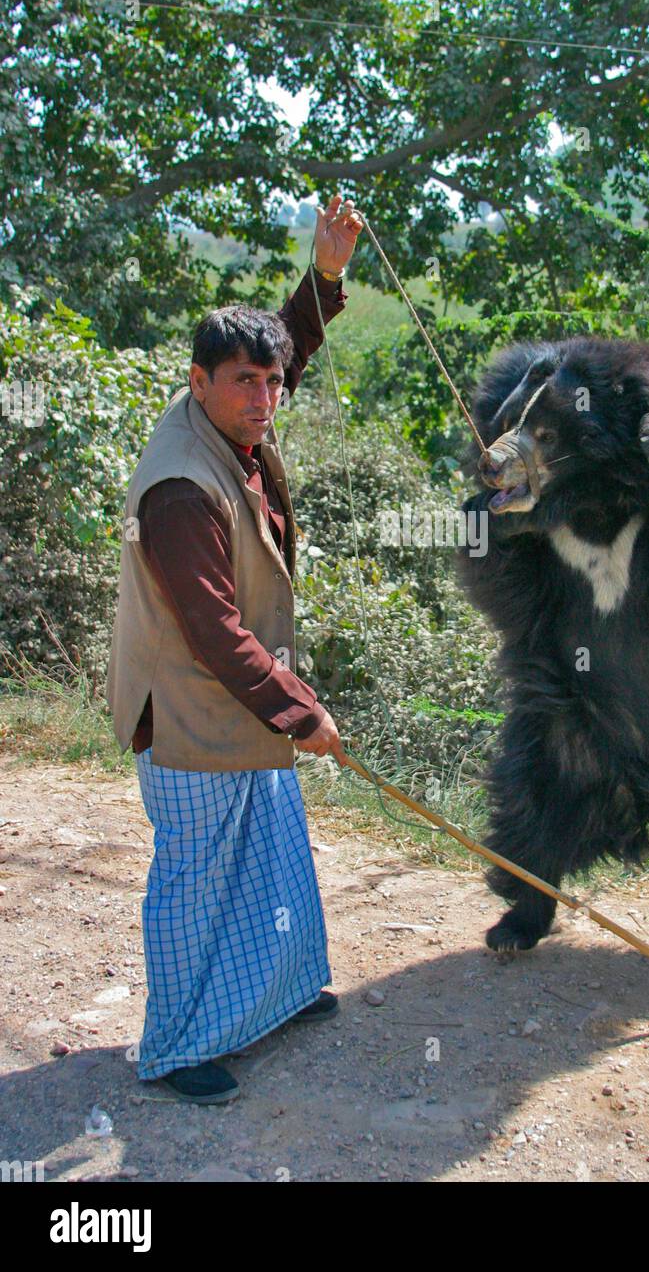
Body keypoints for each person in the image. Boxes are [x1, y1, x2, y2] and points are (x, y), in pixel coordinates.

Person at [105, 193, 363, 1103]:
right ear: (197, 380)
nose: (265, 399)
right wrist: (305, 717)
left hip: (233, 704)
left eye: (273, 384)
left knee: (268, 855)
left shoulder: (229, 416)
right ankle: (174, 1049)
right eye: (244, 383)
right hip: (185, 713)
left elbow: (279, 343)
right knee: (195, 885)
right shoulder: (181, 489)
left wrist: (324, 275)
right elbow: (215, 633)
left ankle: (270, 1000)